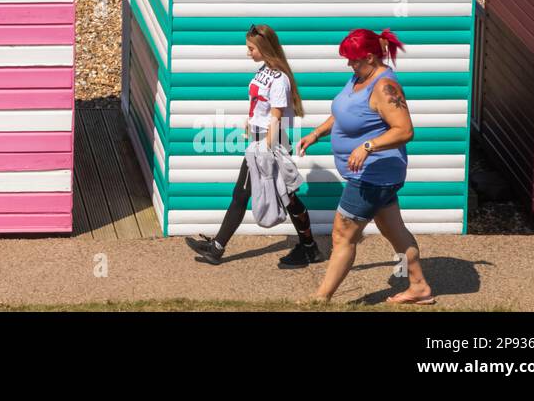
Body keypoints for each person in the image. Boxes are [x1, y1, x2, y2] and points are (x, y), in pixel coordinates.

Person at [298, 28, 435, 304]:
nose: (349, 64)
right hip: (374, 175)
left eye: (354, 60)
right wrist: (316, 133)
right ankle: (419, 287)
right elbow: (345, 114)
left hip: (374, 174)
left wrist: (367, 146)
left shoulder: (385, 87)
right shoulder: (360, 77)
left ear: (370, 57)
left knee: (342, 233)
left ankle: (320, 298)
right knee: (394, 230)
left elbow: (405, 130)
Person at [186, 24, 322, 267]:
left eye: (251, 48)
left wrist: (264, 147)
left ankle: (217, 247)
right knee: (283, 196)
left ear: (264, 48)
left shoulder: (279, 79)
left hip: (270, 141)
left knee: (246, 193)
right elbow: (261, 106)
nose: (248, 52)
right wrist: (250, 123)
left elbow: (276, 116)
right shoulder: (264, 71)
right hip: (260, 138)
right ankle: (310, 247)